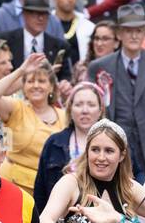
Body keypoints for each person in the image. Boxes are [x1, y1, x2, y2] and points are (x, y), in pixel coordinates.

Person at [87, 3, 145, 181]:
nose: (134, 35)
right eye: (128, 30)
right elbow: (91, 107)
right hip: (114, 148)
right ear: (119, 34)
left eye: (139, 30)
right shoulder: (99, 67)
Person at [0, 51, 67, 194]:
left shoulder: (64, 116)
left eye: (42, 81)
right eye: (30, 81)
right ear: (23, 87)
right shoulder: (16, 108)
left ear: (51, 87)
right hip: (15, 187)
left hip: (50, 188)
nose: (35, 85)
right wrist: (21, 71)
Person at [33, 82, 104, 213]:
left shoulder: (113, 143)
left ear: (100, 110)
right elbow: (40, 191)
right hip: (59, 222)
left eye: (91, 105)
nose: (85, 110)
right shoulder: (54, 143)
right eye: (78, 105)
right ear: (70, 110)